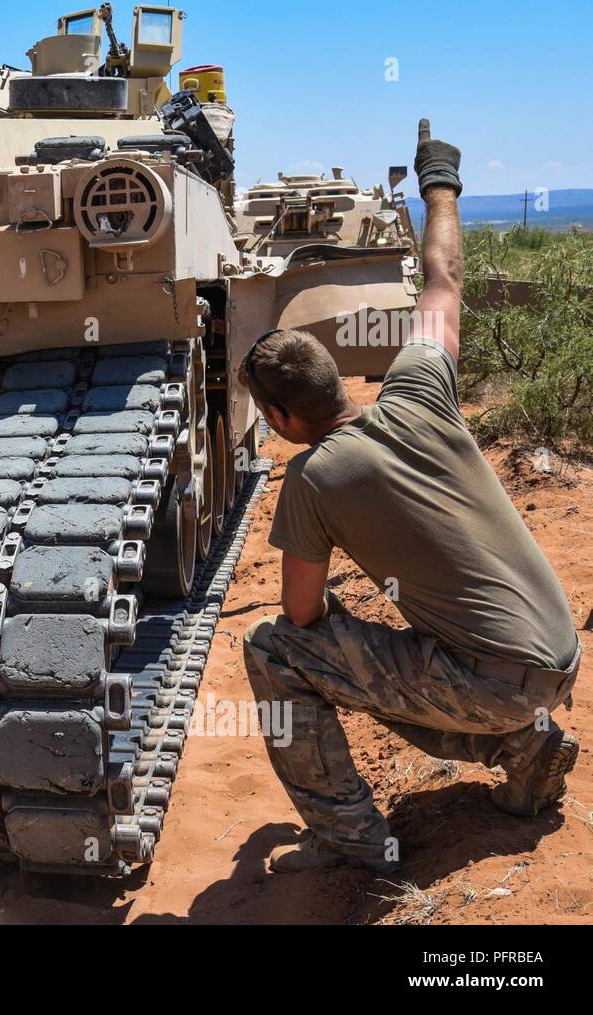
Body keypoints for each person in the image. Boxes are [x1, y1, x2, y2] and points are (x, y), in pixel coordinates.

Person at [237, 120, 582, 874]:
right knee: (413, 664)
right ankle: (529, 747)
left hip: (494, 680)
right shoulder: (420, 384)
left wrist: (351, 601)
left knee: (271, 651)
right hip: (560, 653)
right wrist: (440, 182)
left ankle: (354, 842)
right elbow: (444, 276)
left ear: (280, 418)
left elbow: (301, 620)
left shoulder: (312, 478)